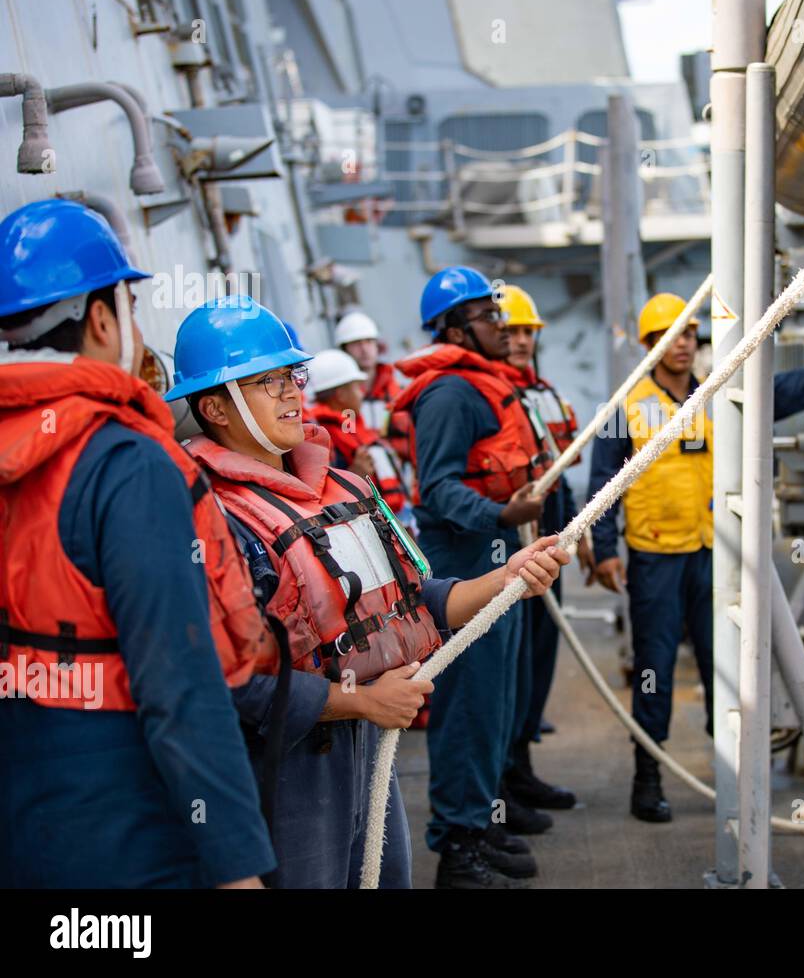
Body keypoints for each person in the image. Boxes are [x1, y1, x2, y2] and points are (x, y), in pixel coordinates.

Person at [166, 296, 568, 889]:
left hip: (367, 750)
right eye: (264, 381)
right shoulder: (211, 519)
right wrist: (360, 702)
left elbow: (414, 597)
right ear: (214, 408)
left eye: (289, 376)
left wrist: (507, 580)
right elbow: (228, 685)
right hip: (287, 768)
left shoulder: (347, 485)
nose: (287, 392)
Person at [0, 199, 278, 888]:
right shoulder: (125, 462)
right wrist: (238, 867)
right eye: (128, 305)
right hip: (125, 817)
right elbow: (180, 689)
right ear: (101, 318)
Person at [586, 292, 804, 823]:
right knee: (654, 669)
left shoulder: (718, 393)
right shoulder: (624, 410)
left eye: (688, 334)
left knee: (722, 663)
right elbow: (601, 484)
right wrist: (605, 551)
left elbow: (784, 391)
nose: (681, 344)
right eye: (669, 335)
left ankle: (730, 772)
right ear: (649, 344)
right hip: (655, 558)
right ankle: (649, 777)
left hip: (712, 555)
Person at [391, 266, 556, 889]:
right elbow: (436, 489)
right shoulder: (449, 395)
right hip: (463, 564)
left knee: (498, 702)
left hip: (496, 558)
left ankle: (481, 821)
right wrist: (500, 513)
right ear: (457, 328)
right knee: (467, 709)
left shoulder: (485, 385)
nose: (502, 325)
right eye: (490, 316)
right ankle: (457, 848)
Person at [498, 284, 595, 810]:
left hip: (552, 518)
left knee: (539, 652)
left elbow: (564, 468)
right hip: (517, 528)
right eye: (509, 331)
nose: (519, 341)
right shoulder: (492, 394)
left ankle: (522, 761)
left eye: (526, 332)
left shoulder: (548, 395)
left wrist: (583, 534)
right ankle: (505, 776)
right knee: (512, 659)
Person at [305, 347, 407, 513]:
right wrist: (353, 476)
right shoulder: (320, 439)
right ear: (340, 395)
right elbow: (319, 502)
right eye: (356, 388)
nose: (361, 394)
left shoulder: (351, 425)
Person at [335, 309, 408, 453]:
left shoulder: (396, 390)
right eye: (356, 343)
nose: (364, 349)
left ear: (377, 345)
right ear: (344, 350)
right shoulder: (341, 398)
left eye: (368, 341)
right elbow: (345, 439)